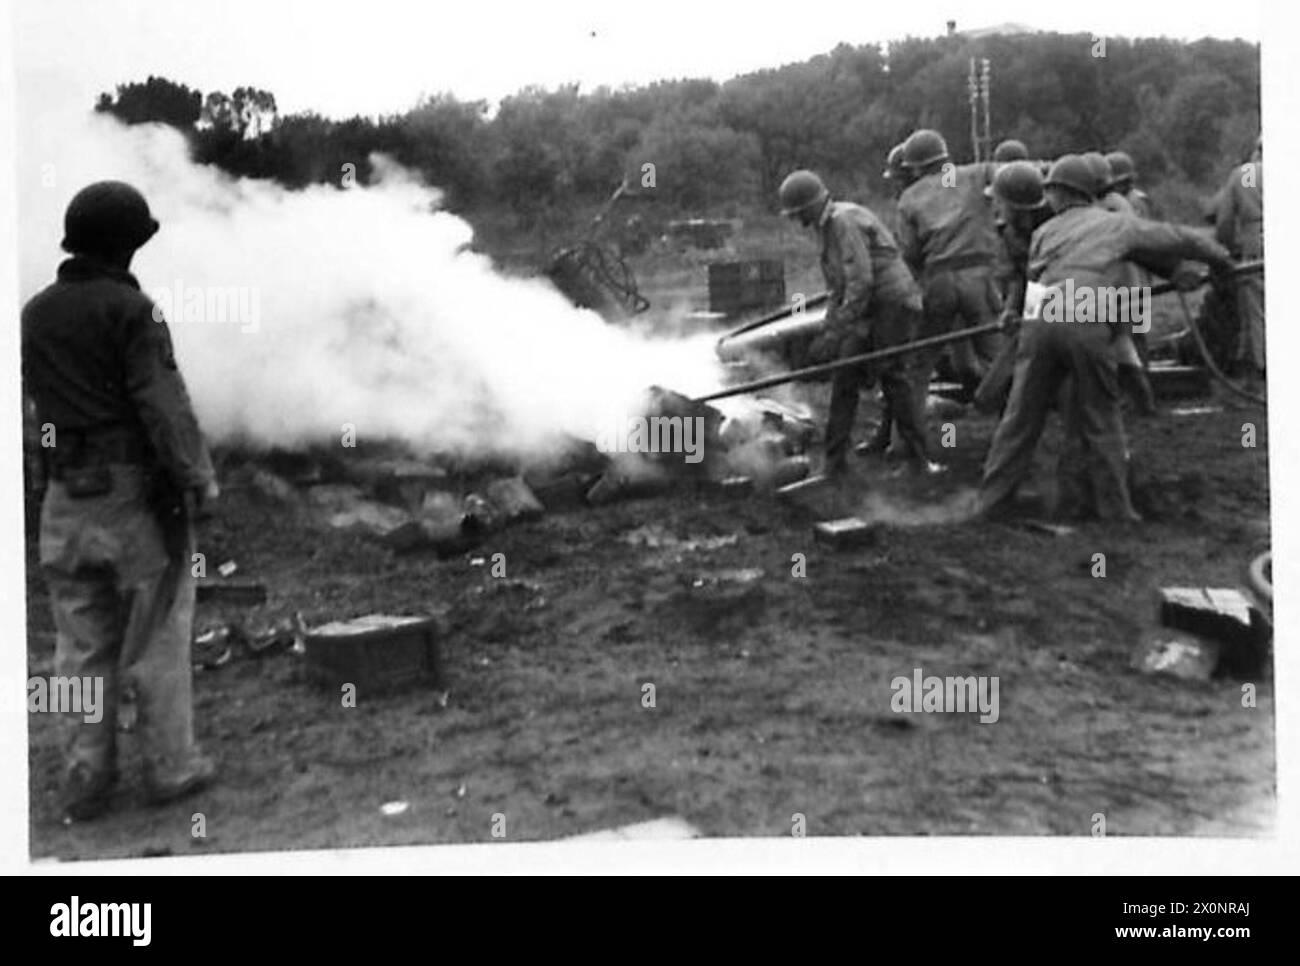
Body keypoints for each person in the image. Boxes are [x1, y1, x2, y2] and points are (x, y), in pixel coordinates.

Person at [22, 180, 219, 822]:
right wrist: (196, 478)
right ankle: (171, 767)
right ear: (123, 246)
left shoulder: (34, 314)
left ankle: (85, 780)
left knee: (78, 647)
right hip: (131, 500)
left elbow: (30, 415)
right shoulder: (136, 313)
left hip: (61, 498)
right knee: (159, 631)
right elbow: (162, 407)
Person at [976, 155, 1234, 522]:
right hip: (1085, 314)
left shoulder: (1044, 232)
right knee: (1102, 417)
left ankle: (990, 503)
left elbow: (1032, 280)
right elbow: (1180, 237)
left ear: (1057, 193)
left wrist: (1013, 311)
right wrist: (1221, 262)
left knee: (1019, 419)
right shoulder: (1114, 224)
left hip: (1041, 318)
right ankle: (1116, 511)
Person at [777, 169, 935, 477]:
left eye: (797, 213)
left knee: (892, 373)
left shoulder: (844, 221)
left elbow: (861, 281)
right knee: (845, 373)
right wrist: (828, 328)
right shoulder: (829, 228)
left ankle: (919, 459)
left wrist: (839, 329)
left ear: (810, 205)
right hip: (871, 306)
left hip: (893, 303)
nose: (796, 220)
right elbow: (838, 289)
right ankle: (835, 464)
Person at [896, 128, 1004, 401]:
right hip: (979, 277)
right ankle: (1011, 428)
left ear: (915, 166)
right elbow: (1021, 174)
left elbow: (909, 253)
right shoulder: (977, 174)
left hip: (939, 280)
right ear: (944, 156)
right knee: (998, 356)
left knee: (919, 365)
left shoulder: (909, 197)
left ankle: (907, 440)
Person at [1214, 137, 1265, 384]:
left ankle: (1260, 369)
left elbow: (1224, 222)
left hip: (1256, 242)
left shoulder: (1245, 174)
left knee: (1257, 309)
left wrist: (1227, 251)